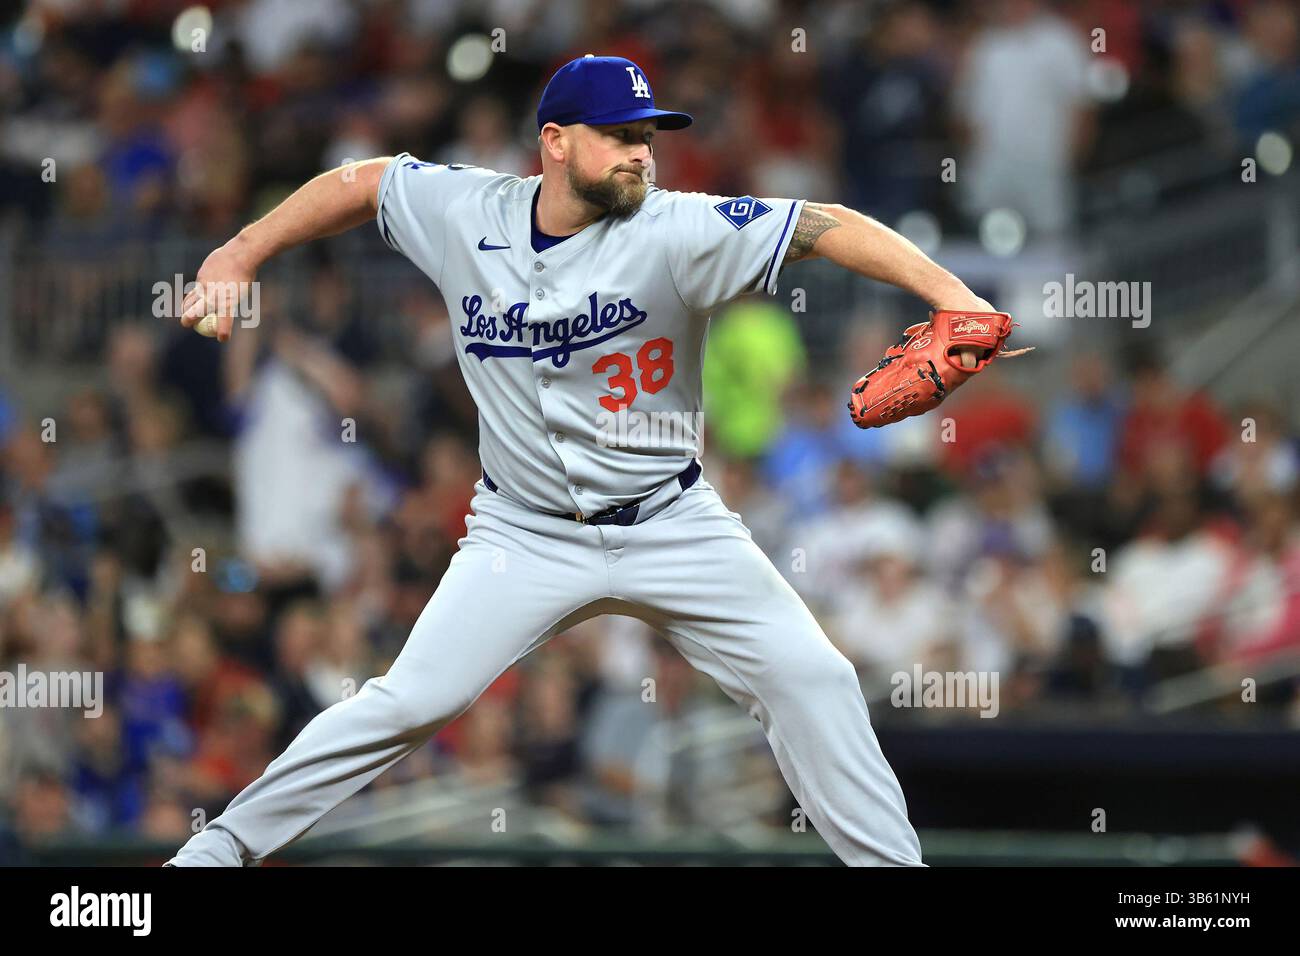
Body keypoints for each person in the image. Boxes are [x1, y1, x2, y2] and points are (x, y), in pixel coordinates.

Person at [167, 54, 1002, 868]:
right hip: (523, 533)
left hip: (673, 522)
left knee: (815, 679)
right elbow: (363, 181)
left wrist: (951, 297)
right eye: (619, 134)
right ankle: (221, 850)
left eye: (649, 134)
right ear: (556, 141)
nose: (643, 150)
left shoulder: (677, 228)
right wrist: (241, 251)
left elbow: (825, 224)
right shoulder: (467, 211)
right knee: (410, 701)